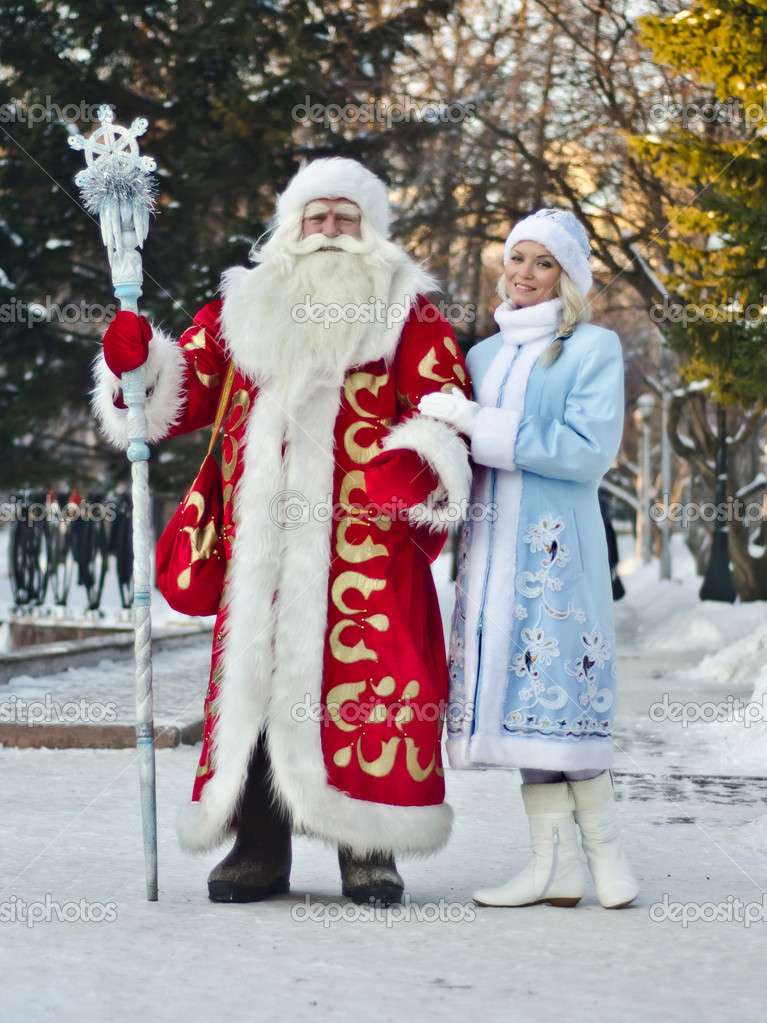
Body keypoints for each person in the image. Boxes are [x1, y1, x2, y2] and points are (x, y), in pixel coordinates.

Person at [93, 157, 472, 905]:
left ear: (369, 228)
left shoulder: (408, 310)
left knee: (368, 686)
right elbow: (180, 393)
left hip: (366, 545)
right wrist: (136, 364)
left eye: (345, 217)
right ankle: (257, 847)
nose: (329, 231)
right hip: (261, 545)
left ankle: (370, 847)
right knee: (260, 688)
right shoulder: (243, 304)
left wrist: (424, 462)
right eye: (316, 216)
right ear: (291, 225)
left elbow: (446, 400)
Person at [419, 209, 638, 909]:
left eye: (543, 262)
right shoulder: (480, 357)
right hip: (488, 562)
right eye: (516, 258)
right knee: (520, 710)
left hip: (554, 560)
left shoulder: (592, 348)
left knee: (563, 698)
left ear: (567, 276)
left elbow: (584, 449)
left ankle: (605, 854)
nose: (524, 274)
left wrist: (477, 423)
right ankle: (553, 866)